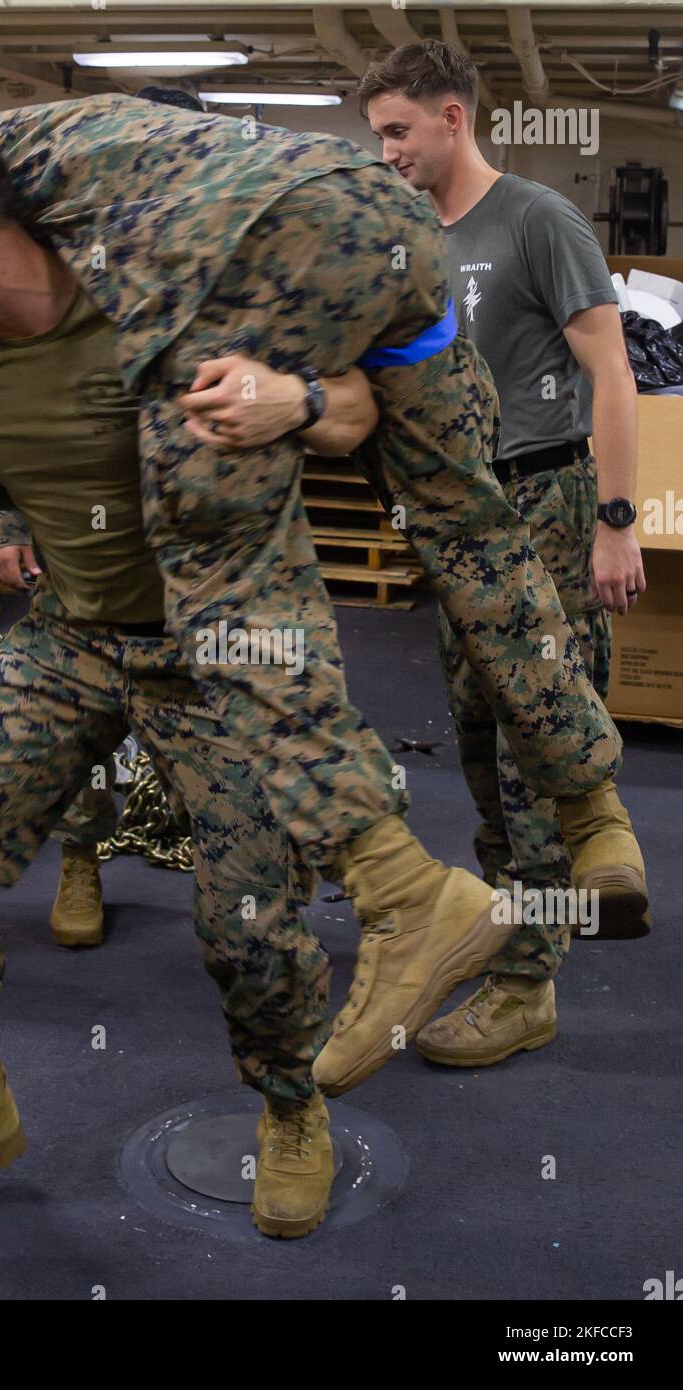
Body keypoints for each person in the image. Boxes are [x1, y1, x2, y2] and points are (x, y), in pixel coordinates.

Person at [0, 99, 644, 1105]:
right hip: (400, 243)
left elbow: (308, 412)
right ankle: (595, 809)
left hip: (281, 253)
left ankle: (400, 893)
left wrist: (272, 398)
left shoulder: (92, 235)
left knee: (219, 576)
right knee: (467, 525)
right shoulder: (46, 158)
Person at [355, 39, 648, 1069]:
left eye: (397, 129)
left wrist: (616, 519)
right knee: (477, 741)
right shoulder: (404, 237)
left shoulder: (535, 217)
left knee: (537, 748)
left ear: (450, 117)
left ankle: (528, 984)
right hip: (456, 513)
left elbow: (609, 369)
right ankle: (512, 938)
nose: (384, 149)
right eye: (375, 133)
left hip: (546, 501)